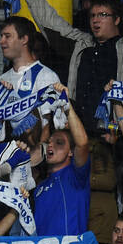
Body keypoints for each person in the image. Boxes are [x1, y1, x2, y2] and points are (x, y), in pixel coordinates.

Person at [30, 83, 92, 236]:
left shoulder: (76, 177)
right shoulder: (39, 187)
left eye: (59, 143)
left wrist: (67, 106)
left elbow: (82, 143)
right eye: (50, 141)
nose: (51, 145)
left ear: (71, 152)